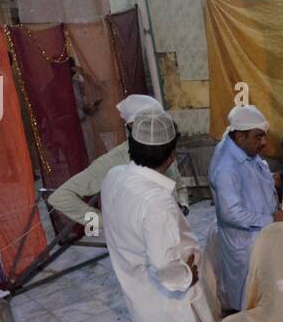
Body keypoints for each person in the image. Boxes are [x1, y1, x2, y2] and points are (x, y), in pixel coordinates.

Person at [100, 109, 216, 322]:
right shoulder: (156, 202)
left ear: (130, 145)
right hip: (167, 300)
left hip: (138, 289)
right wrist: (187, 275)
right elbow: (165, 267)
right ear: (171, 156)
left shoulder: (114, 176)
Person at [47, 94, 192, 229]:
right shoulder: (112, 161)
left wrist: (183, 204)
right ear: (131, 125)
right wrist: (106, 223)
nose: (157, 127)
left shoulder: (164, 149)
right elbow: (61, 197)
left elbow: (177, 183)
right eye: (149, 122)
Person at [208, 104, 283, 312]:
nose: (263, 142)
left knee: (264, 293)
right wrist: (272, 220)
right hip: (245, 244)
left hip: (260, 238)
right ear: (240, 137)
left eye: (264, 136)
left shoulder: (242, 150)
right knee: (248, 300)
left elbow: (249, 177)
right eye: (258, 137)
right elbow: (231, 212)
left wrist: (270, 180)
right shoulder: (226, 167)